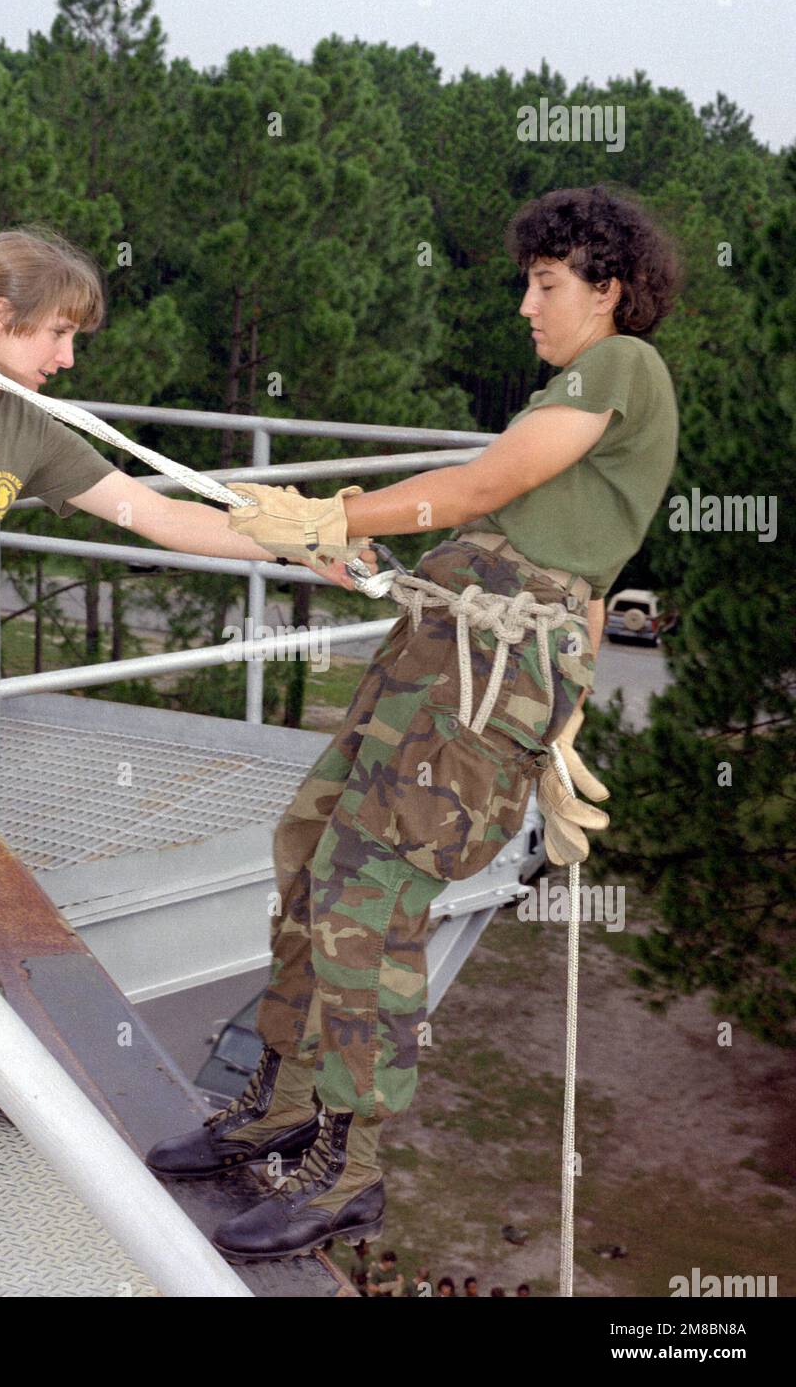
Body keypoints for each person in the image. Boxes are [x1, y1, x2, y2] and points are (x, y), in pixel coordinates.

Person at [0, 226, 366, 1216]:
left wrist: (295, 542)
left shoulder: (30, 423)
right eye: (58, 334)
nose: (69, 358)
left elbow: (155, 514)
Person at [146, 183, 681, 1264]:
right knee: (308, 845)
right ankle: (281, 1095)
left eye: (544, 285)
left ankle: (345, 1166)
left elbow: (488, 481)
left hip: (475, 684)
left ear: (606, 288)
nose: (525, 309)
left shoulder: (621, 366)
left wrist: (337, 511)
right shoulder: (582, 391)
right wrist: (563, 715)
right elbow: (572, 567)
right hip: (440, 660)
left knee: (367, 898)